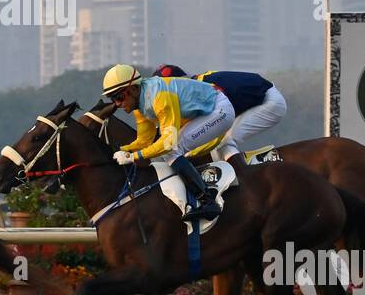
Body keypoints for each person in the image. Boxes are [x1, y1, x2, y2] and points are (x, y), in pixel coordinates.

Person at [100, 64, 237, 220]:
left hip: (219, 111)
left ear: (133, 90)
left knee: (173, 150)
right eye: (112, 99)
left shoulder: (160, 97)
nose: (117, 104)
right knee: (170, 153)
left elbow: (168, 143)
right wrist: (124, 150)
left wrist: (133, 157)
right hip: (205, 112)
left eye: (119, 97)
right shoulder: (139, 106)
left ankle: (208, 201)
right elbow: (145, 140)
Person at [155, 64, 286, 159]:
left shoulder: (199, 91)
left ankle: (244, 175)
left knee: (225, 140)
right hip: (256, 99)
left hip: (269, 102)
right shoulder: (194, 87)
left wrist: (189, 153)